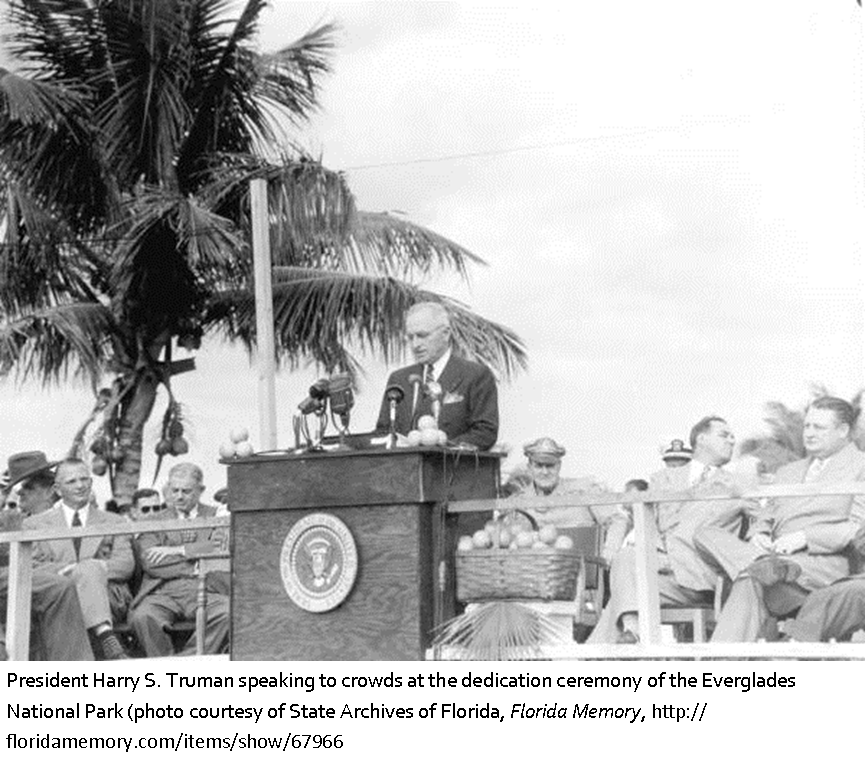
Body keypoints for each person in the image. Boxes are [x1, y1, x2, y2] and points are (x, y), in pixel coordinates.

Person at [695, 396, 865, 642]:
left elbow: (857, 528)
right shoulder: (789, 472)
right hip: (775, 560)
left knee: (750, 580)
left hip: (820, 565)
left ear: (843, 431)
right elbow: (766, 517)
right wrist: (759, 535)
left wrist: (805, 538)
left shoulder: (861, 467)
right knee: (705, 533)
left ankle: (718, 668)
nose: (809, 433)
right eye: (807, 426)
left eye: (819, 427)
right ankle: (759, 561)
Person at [588, 416, 755, 644]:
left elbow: (763, 519)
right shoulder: (662, 479)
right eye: (724, 435)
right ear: (702, 439)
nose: (732, 440)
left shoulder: (738, 484)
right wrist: (659, 557)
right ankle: (631, 630)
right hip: (661, 573)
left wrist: (761, 537)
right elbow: (648, 524)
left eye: (732, 436)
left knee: (622, 595)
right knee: (626, 560)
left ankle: (593, 661)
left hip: (700, 577)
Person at [21, 457, 132, 659]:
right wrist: (72, 571)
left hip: (108, 596)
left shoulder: (114, 521)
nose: (80, 486)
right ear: (57, 488)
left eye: (84, 479)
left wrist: (89, 569)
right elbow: (32, 567)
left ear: (91, 482)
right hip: (59, 596)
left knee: (89, 569)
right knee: (72, 586)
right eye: (72, 481)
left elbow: (125, 565)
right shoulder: (34, 524)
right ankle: (106, 635)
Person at [128, 463, 230, 657]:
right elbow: (151, 562)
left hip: (205, 588)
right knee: (143, 617)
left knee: (228, 612)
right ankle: (164, 664)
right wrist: (196, 564)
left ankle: (185, 663)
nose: (179, 496)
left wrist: (179, 550)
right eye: (175, 490)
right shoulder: (154, 521)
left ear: (201, 490)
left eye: (186, 491)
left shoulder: (216, 515)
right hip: (163, 591)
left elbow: (219, 547)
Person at [375, 302, 499, 450]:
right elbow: (383, 432)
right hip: (403, 470)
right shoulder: (398, 379)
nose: (415, 345)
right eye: (410, 337)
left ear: (446, 334)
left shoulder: (475, 375)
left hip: (453, 469)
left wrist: (441, 447)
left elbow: (485, 433)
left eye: (422, 335)